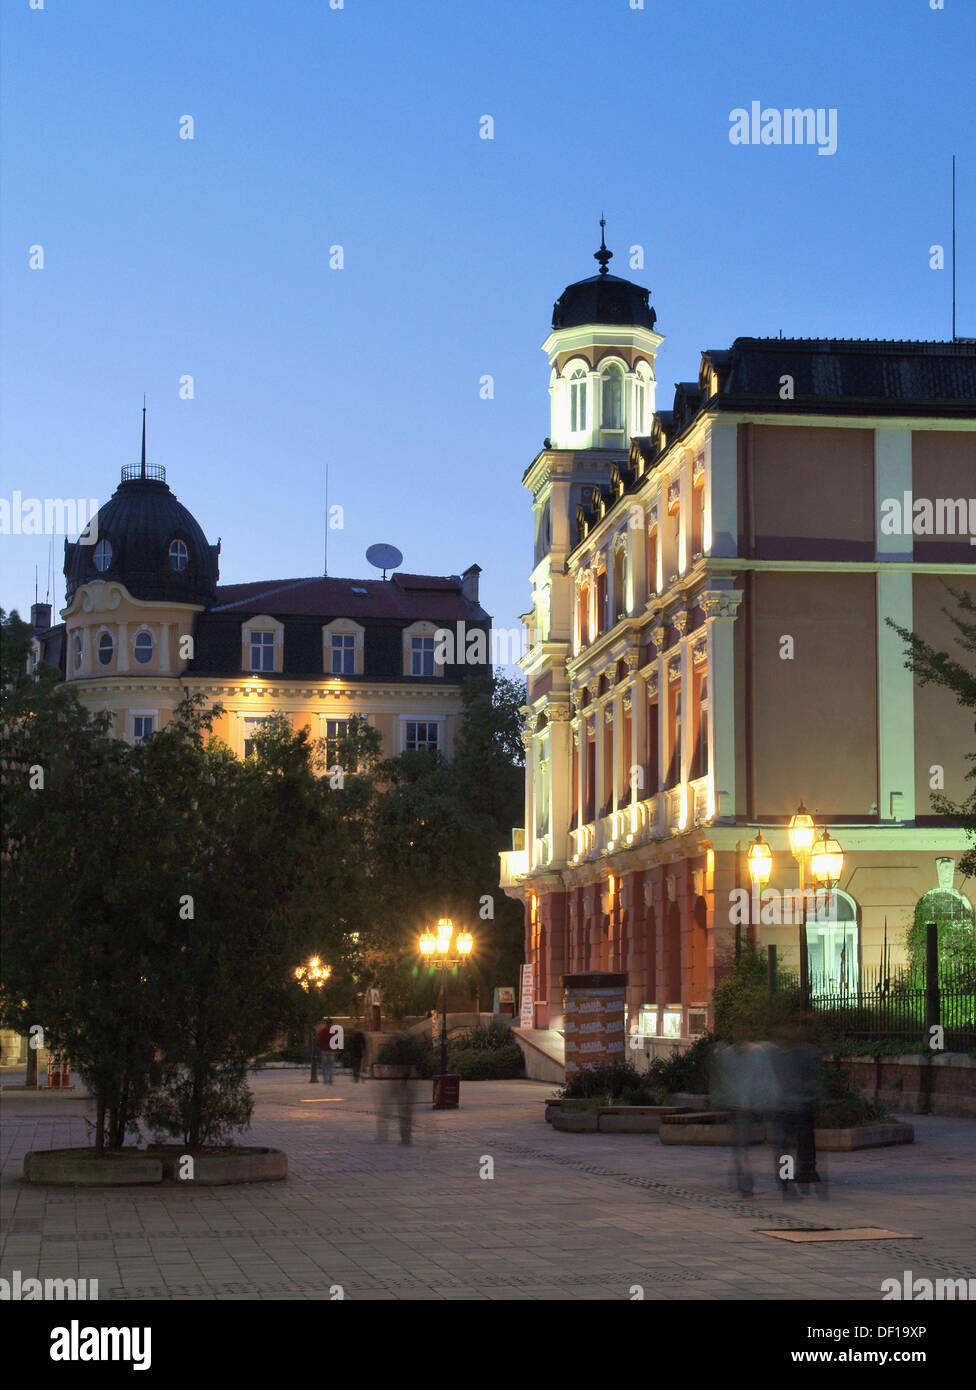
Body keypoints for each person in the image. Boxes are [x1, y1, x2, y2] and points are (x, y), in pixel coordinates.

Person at [315, 1019, 335, 1086]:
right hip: (332, 1050)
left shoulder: (322, 1031)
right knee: (331, 1066)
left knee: (324, 1066)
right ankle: (331, 1080)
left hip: (324, 1050)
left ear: (326, 1023)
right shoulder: (334, 1031)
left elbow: (319, 1040)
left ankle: (325, 1080)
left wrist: (320, 1046)